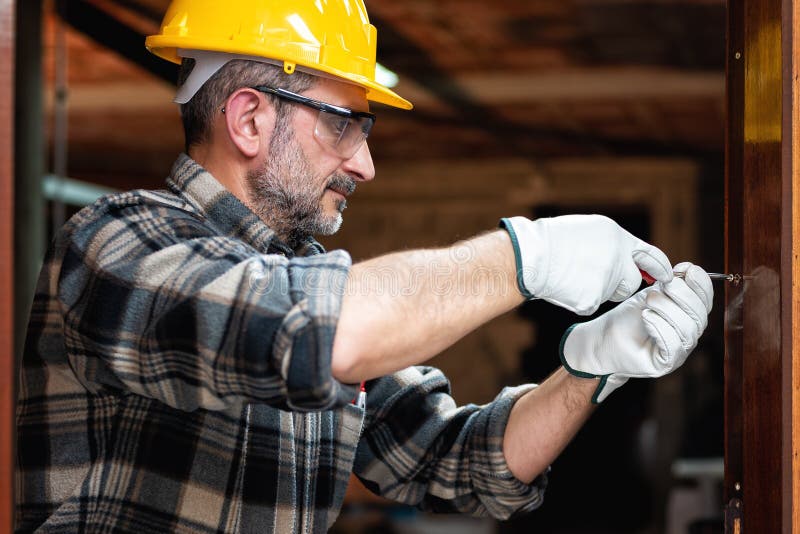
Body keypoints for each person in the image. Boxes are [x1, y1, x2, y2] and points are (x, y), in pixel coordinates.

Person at [15, 1, 714, 532]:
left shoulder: (305, 279)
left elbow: (466, 461)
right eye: (342, 124)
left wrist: (591, 369)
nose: (364, 163)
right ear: (249, 119)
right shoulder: (116, 244)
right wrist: (532, 255)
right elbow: (313, 331)